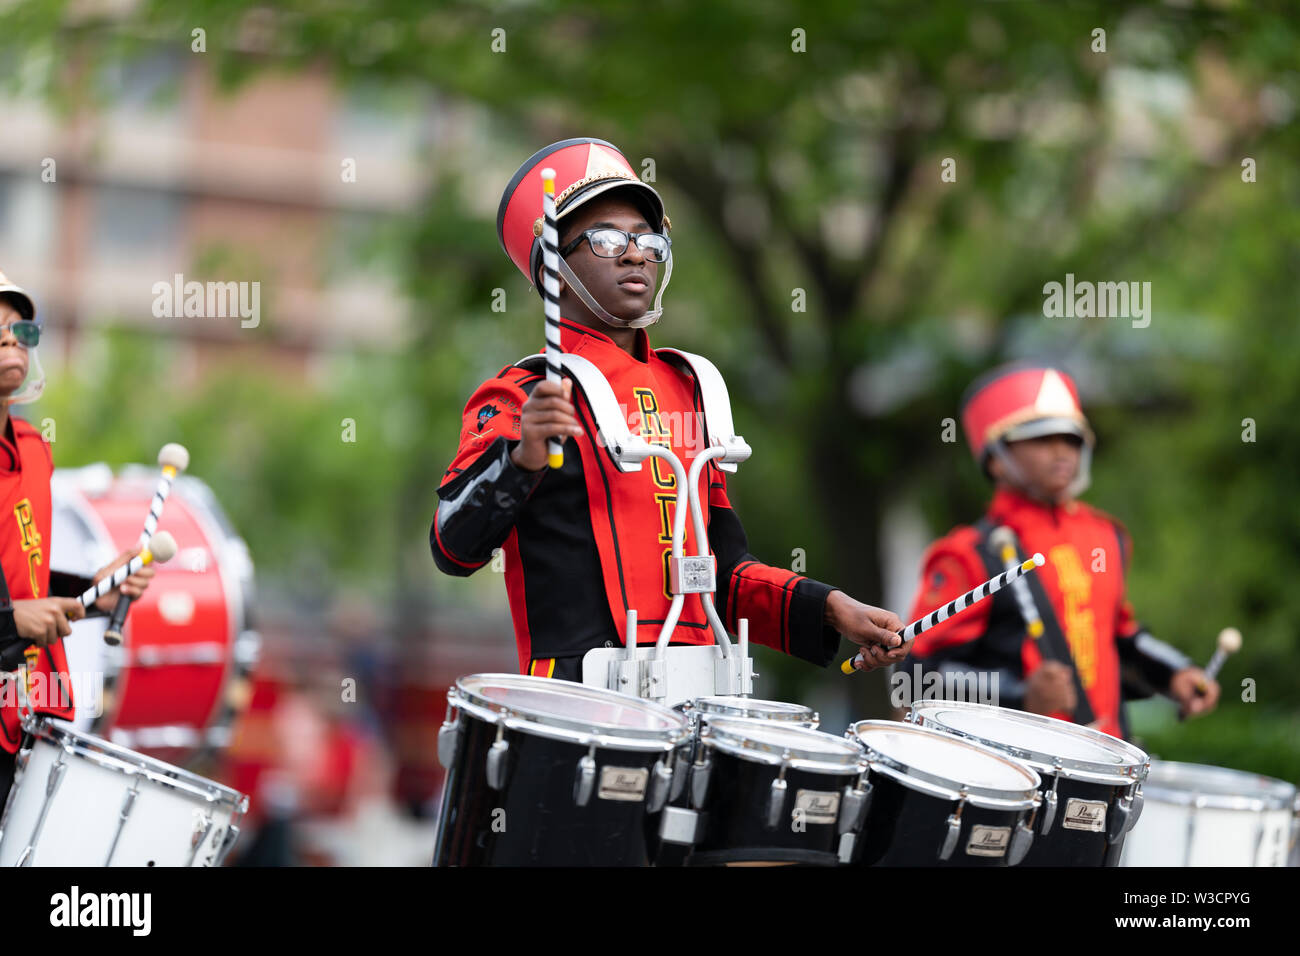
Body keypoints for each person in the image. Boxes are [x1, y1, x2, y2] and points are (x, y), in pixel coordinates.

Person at [430, 137, 908, 683]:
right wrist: (521, 461)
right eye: (608, 239)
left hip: (698, 701)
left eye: (646, 239)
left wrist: (828, 607)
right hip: (570, 710)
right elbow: (452, 545)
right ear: (553, 266)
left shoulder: (693, 386)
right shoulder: (523, 393)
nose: (636, 254)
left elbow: (724, 576)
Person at [905, 363, 1219, 739]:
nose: (1062, 452)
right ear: (995, 459)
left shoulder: (1108, 536)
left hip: (1107, 758)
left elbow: (1121, 637)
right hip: (1010, 768)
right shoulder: (967, 554)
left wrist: (1175, 672)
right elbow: (918, 675)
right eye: (1041, 439)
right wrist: (1019, 695)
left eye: (1071, 438)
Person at [0, 270, 155, 804]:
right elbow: (14, 610)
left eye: (19, 327)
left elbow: (21, 579)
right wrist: (12, 621)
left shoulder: (33, 447)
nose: (9, 337)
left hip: (21, 709)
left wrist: (93, 593)